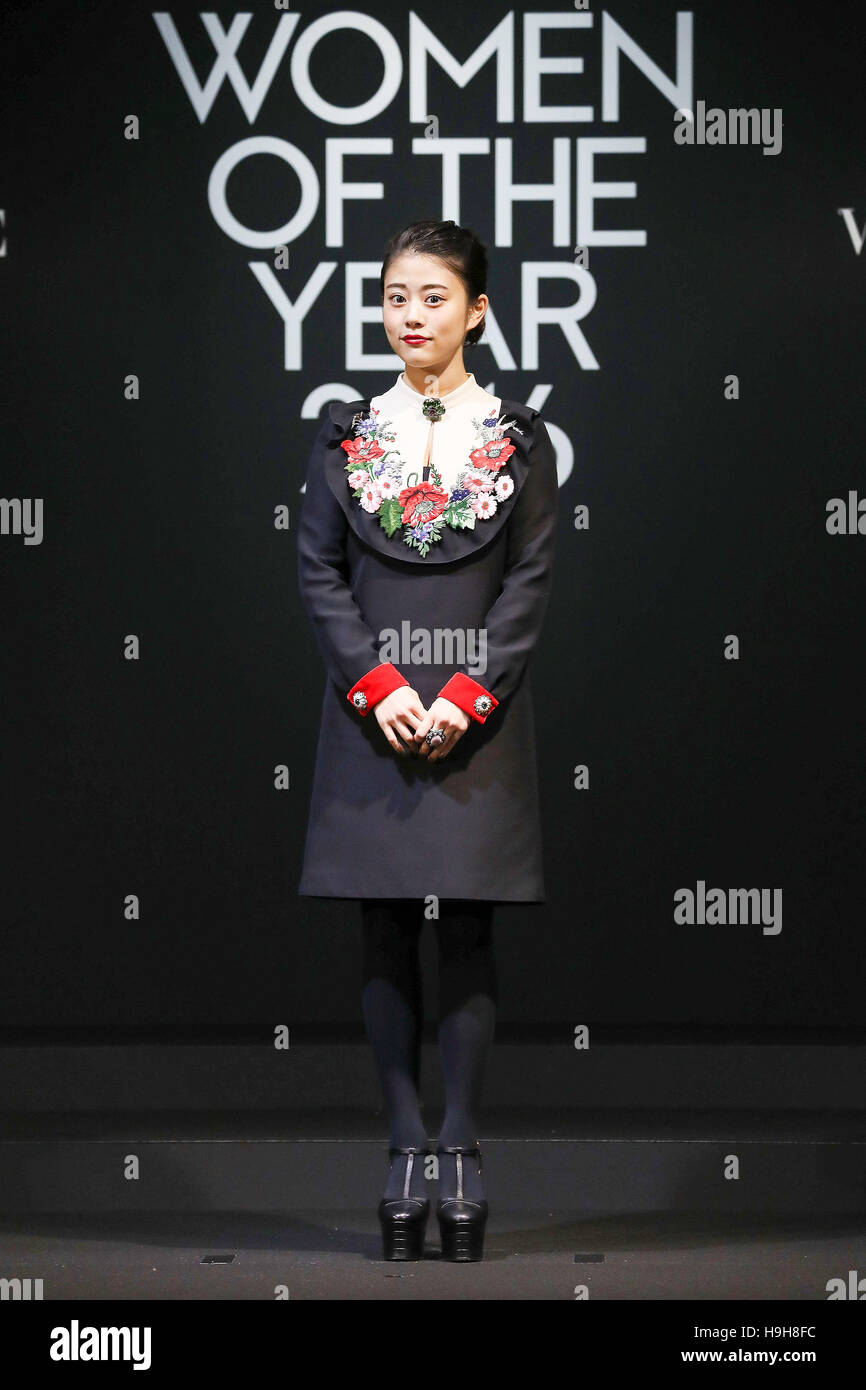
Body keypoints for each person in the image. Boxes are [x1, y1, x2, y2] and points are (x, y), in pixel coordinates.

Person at [296, 219, 559, 1262]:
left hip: (472, 713)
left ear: (476, 311)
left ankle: (461, 1144)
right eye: (396, 296)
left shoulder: (519, 438)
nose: (411, 315)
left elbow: (530, 582)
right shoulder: (343, 433)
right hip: (373, 714)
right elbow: (316, 573)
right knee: (381, 924)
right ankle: (402, 1142)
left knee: (467, 932)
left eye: (432, 297)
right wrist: (373, 684)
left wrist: (465, 693)